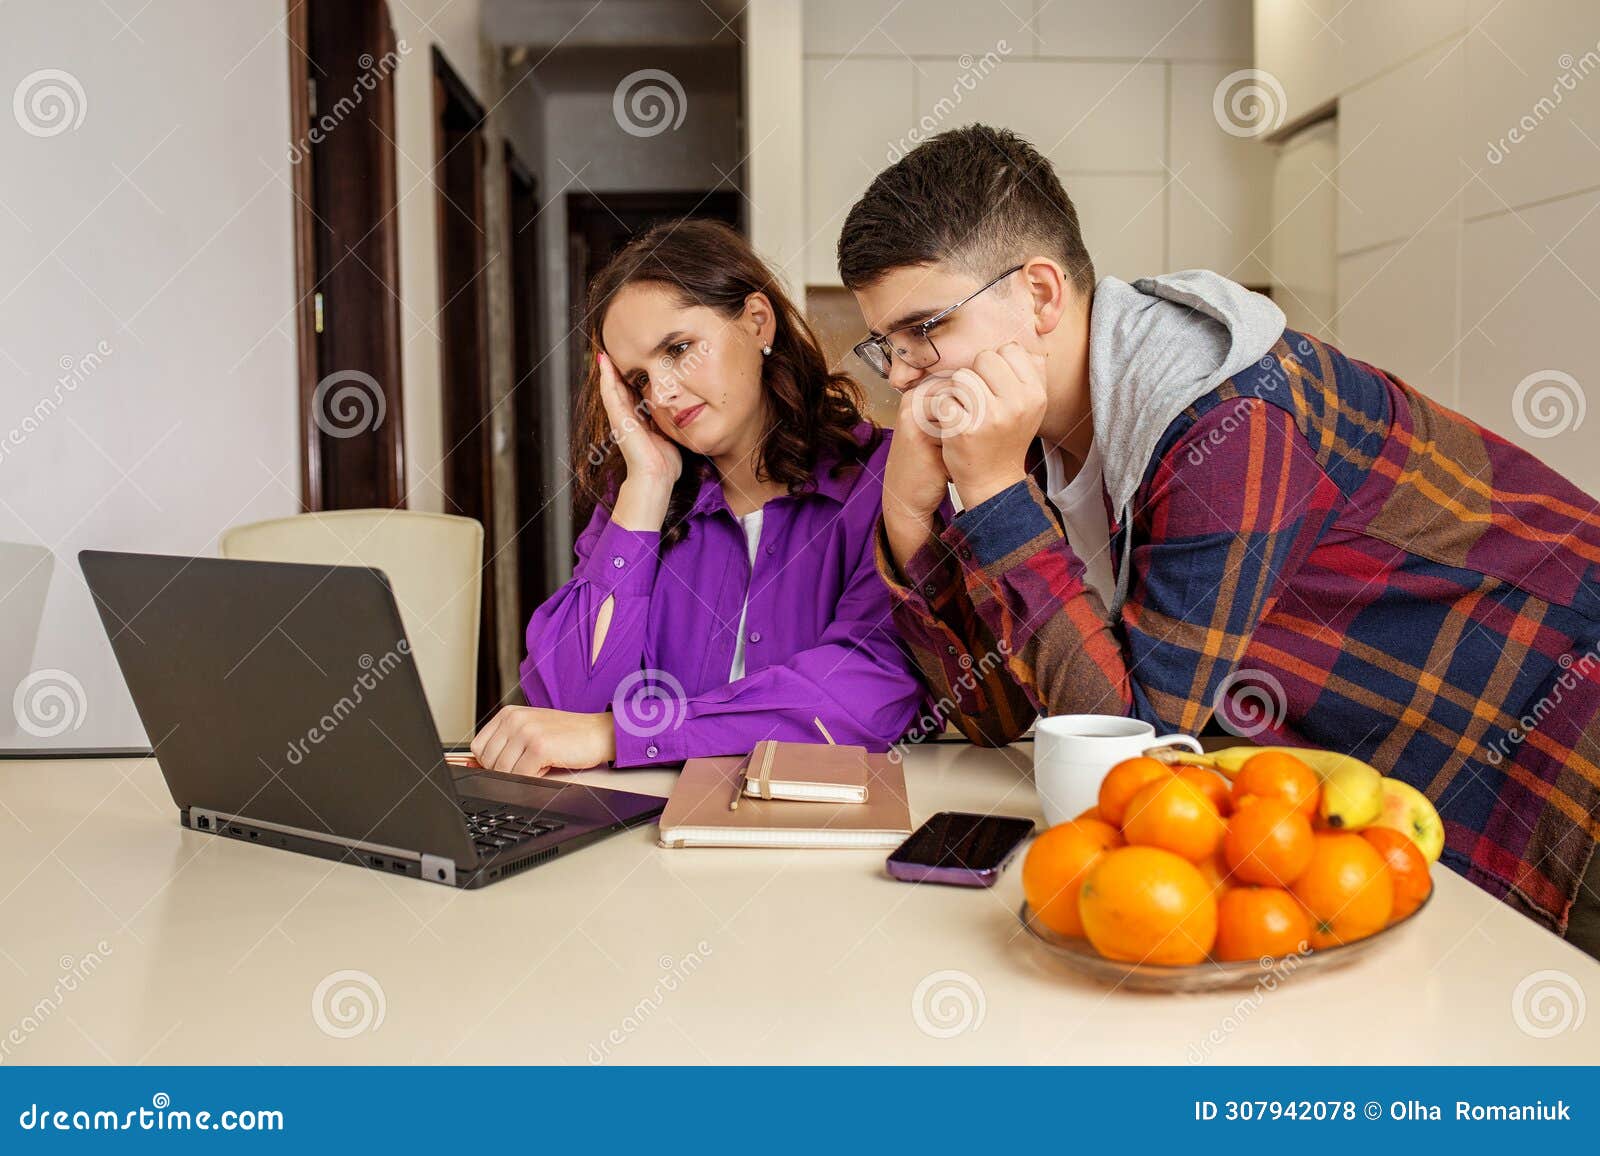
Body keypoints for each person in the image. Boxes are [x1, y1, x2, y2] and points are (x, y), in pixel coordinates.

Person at [840, 124, 1600, 952]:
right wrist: (912, 517)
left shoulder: (1228, 418)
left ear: (1041, 295)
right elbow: (993, 712)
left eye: (927, 329)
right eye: (888, 345)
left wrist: (991, 495)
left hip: (1566, 756)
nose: (906, 375)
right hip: (1407, 791)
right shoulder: (1026, 436)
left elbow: (1134, 746)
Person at [469, 218, 927, 777]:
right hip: (649, 838)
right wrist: (648, 483)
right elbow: (567, 703)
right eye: (637, 380)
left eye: (679, 348)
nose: (659, 393)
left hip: (824, 838)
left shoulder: (884, 479)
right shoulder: (638, 503)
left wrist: (622, 733)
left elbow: (867, 694)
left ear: (759, 322)